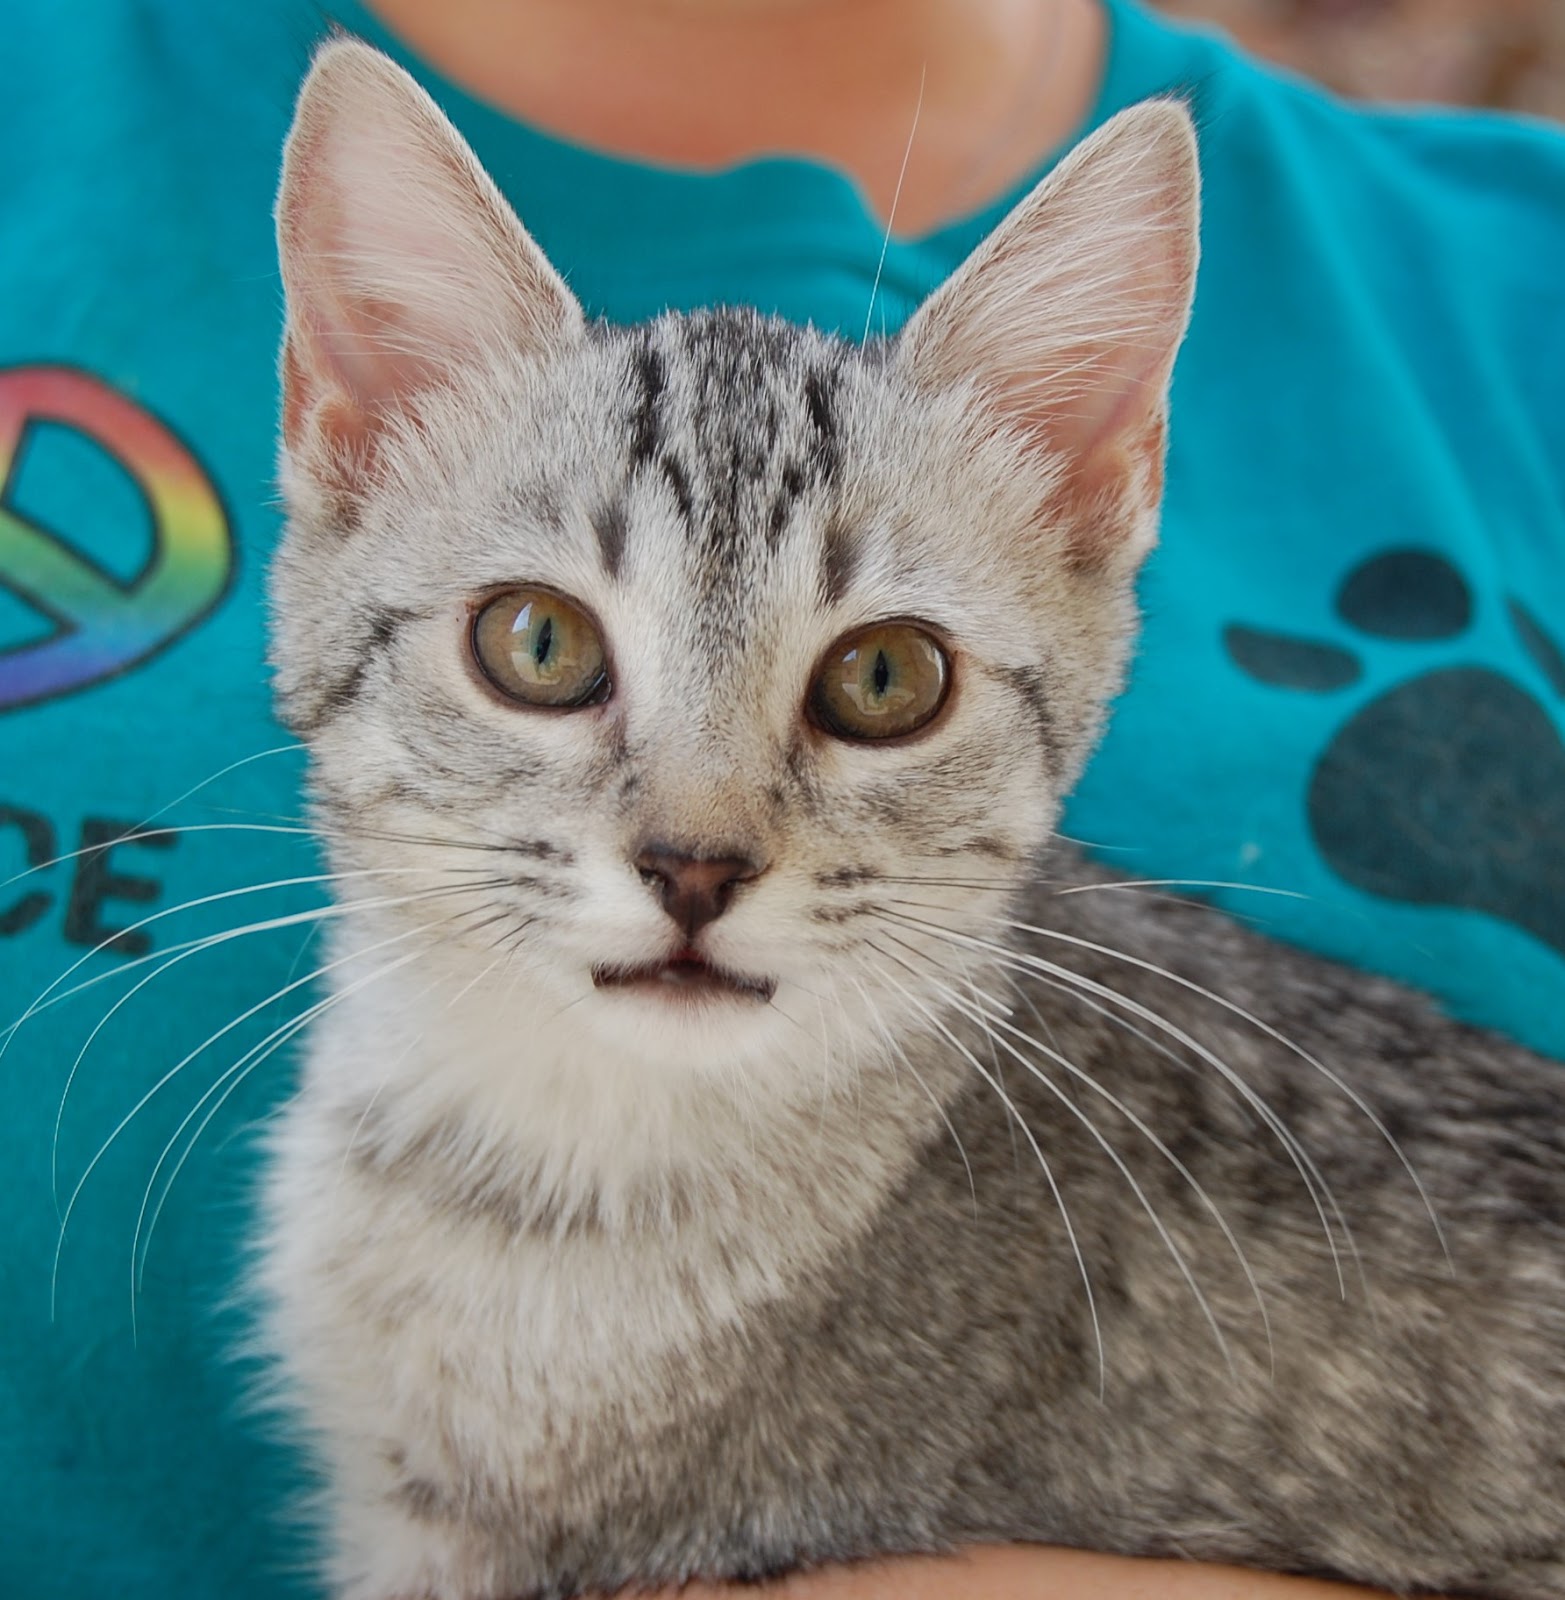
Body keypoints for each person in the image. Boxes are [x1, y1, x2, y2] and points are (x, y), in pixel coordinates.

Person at [1, 0, 1561, 1595]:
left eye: (876, 682)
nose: (698, 842)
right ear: (359, 433)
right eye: (542, 651)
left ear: (1091, 504)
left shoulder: (1519, 283)